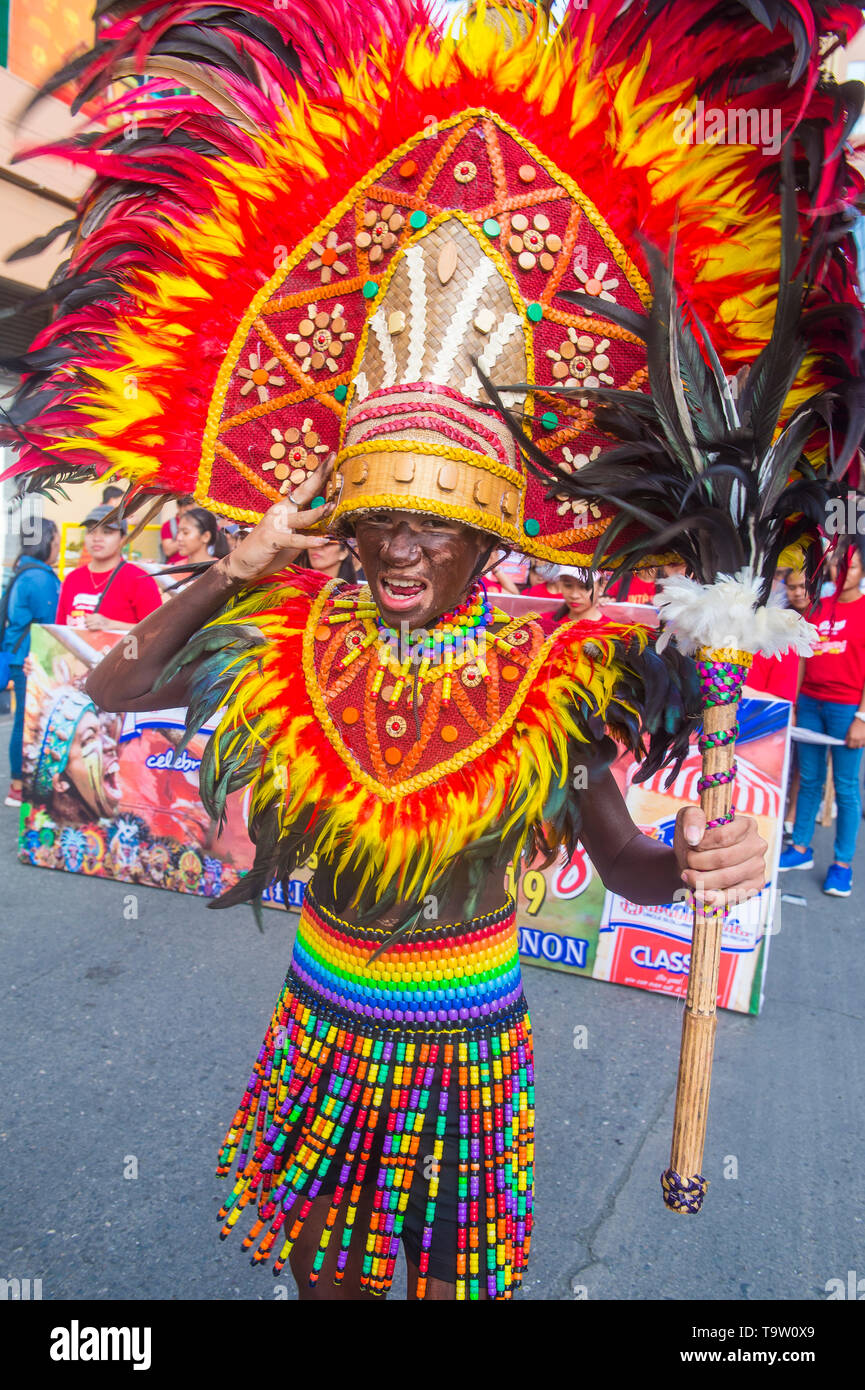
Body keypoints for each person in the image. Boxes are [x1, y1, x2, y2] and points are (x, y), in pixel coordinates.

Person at [779, 549, 865, 896]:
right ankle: (800, 848)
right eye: (836, 565)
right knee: (810, 779)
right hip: (811, 704)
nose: (842, 572)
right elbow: (803, 657)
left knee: (845, 788)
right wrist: (796, 703)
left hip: (847, 709)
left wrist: (862, 717)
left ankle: (842, 865)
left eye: (852, 566)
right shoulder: (817, 608)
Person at [1, 518, 61, 807]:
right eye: (57, 543)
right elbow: (52, 624)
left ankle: (16, 784)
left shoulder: (21, 570)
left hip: (17, 656)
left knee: (21, 722)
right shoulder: (40, 578)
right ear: (46, 542)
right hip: (30, 658)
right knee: (27, 723)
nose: (58, 550)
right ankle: (17, 786)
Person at [56, 506, 163, 630]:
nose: (96, 538)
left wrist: (111, 625)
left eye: (107, 532)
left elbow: (157, 631)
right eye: (91, 531)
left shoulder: (139, 580)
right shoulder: (72, 579)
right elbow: (61, 632)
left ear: (123, 539)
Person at [539, 566, 610, 635]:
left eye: (584, 587)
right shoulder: (543, 623)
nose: (574, 595)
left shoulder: (611, 630)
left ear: (602, 586)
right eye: (568, 585)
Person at [160, 495, 196, 563]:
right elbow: (168, 551)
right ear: (178, 507)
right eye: (186, 511)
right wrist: (187, 536)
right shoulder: (169, 525)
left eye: (192, 511)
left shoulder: (197, 523)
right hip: (174, 567)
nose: (189, 514)